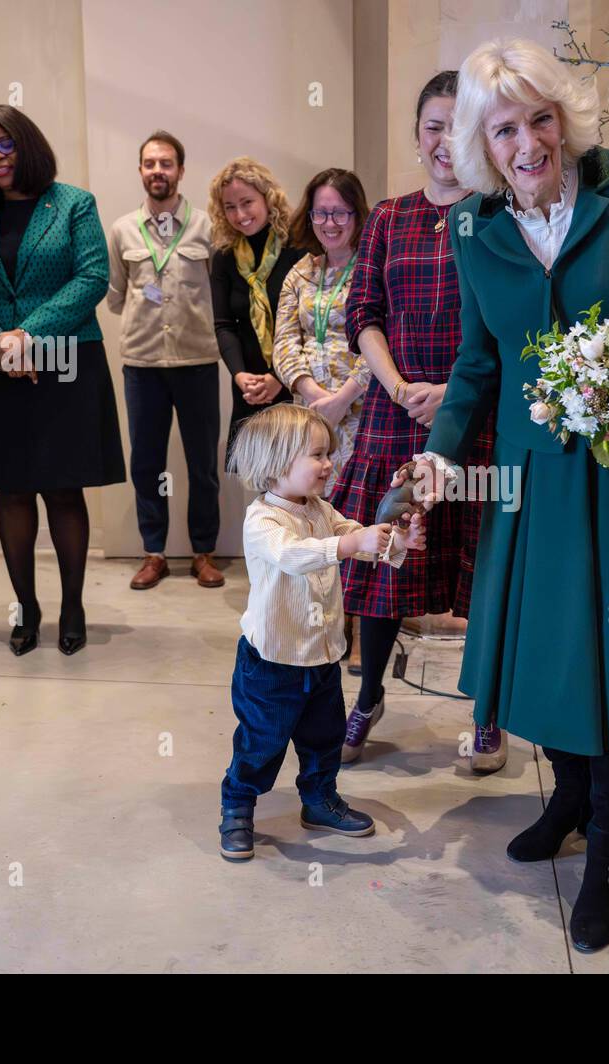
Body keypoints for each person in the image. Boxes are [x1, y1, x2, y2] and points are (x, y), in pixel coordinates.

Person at [408, 39, 609, 953]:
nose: (528, 141)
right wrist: (437, 455)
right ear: (480, 141)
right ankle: (574, 800)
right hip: (533, 482)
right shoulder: (472, 228)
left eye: (541, 118)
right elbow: (477, 363)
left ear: (565, 119)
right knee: (548, 654)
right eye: (504, 127)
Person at [333, 71, 502, 772]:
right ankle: (368, 696)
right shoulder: (388, 218)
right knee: (384, 563)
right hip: (395, 418)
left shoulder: (499, 213)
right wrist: (401, 386)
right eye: (432, 126)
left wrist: (454, 391)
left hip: (477, 420)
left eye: (456, 126)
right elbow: (361, 315)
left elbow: (508, 322)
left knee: (487, 569)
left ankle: (490, 714)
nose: (443, 140)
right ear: (417, 135)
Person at [0, 105, 125, 656]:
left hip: (66, 365)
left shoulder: (73, 203)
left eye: (5, 144)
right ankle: (26, 605)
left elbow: (92, 275)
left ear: (27, 146)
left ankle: (73, 605)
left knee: (63, 489)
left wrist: (26, 335)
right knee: (11, 490)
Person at [217, 403, 424, 861]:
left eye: (328, 453)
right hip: (271, 663)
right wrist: (352, 544)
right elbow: (296, 555)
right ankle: (238, 805)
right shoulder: (263, 521)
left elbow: (352, 532)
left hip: (322, 655)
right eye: (317, 455)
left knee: (323, 738)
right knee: (261, 743)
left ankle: (319, 799)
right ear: (275, 463)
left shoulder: (320, 508)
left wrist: (391, 542)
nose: (329, 464)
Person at [107, 130, 225, 592]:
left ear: (180, 170)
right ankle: (153, 552)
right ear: (141, 171)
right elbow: (118, 295)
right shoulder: (121, 230)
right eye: (150, 163)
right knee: (147, 464)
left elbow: (219, 293)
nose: (158, 171)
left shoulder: (208, 227)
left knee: (202, 464)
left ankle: (204, 552)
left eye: (167, 163)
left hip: (198, 361)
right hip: (143, 364)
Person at [272, 168, 371, 497]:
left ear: (357, 214)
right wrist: (317, 398)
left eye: (340, 213)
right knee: (311, 504)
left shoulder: (373, 269)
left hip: (361, 408)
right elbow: (284, 345)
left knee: (355, 506)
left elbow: (382, 343)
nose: (330, 223)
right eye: (321, 213)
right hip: (309, 411)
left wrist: (342, 400)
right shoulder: (300, 273)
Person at [208, 158, 305, 466]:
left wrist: (279, 376)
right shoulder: (224, 256)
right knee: (261, 476)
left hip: (294, 380)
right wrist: (240, 376)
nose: (240, 215)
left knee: (300, 472)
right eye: (230, 207)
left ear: (268, 198)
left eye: (247, 202)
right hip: (250, 385)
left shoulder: (298, 246)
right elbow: (224, 325)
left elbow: (306, 324)